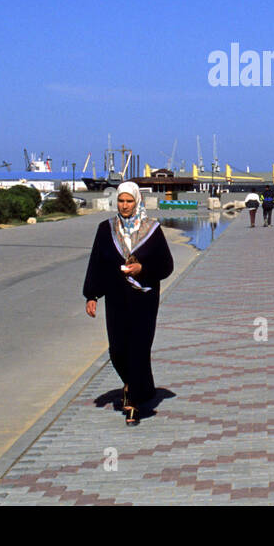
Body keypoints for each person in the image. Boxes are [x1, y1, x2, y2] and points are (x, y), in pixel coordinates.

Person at [84, 182, 175, 425]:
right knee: (117, 350)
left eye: (129, 201)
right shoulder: (106, 229)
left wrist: (142, 268)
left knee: (138, 349)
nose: (125, 206)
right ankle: (134, 385)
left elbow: (166, 265)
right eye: (121, 201)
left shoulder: (152, 230)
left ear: (137, 202)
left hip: (143, 298)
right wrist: (91, 295)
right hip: (116, 298)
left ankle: (134, 402)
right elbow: (97, 263)